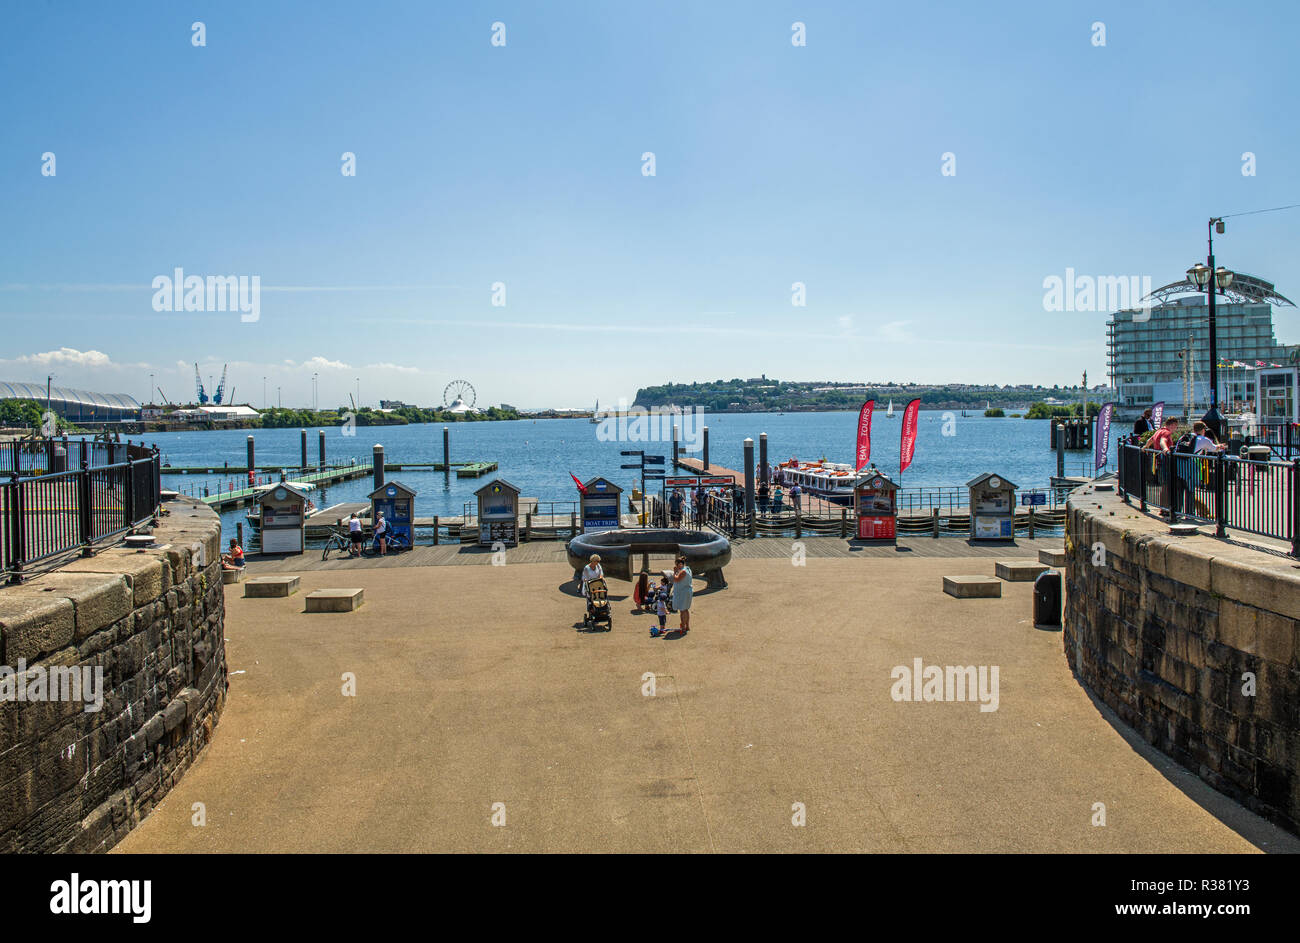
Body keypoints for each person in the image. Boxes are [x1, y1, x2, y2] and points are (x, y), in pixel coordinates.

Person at [671, 556, 693, 634]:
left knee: (682, 610)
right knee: (686, 609)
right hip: (687, 591)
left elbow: (676, 579)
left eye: (677, 565)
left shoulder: (683, 571)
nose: (676, 566)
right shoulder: (687, 569)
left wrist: (674, 572)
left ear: (680, 564)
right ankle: (687, 626)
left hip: (683, 592)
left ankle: (683, 627)